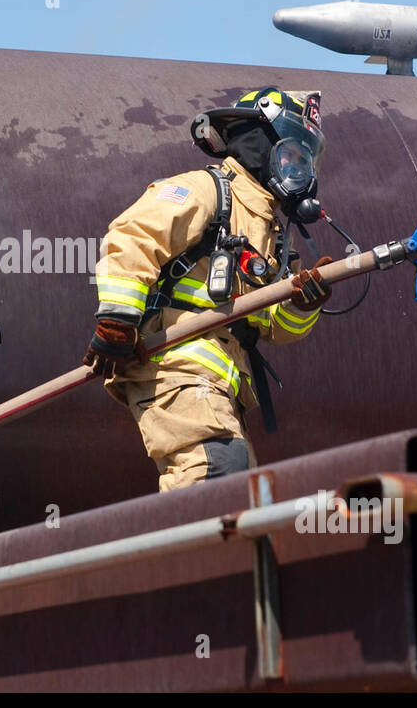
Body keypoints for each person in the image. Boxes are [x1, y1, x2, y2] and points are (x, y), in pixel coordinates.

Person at [84, 87, 333, 492]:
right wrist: (118, 320)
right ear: (259, 143)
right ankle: (175, 556)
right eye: (291, 154)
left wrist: (305, 305)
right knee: (215, 472)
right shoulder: (207, 191)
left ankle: (186, 555)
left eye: (306, 158)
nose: (299, 167)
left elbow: (276, 327)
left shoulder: (275, 236)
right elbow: (131, 238)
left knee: (239, 494)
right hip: (172, 364)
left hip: (220, 383)